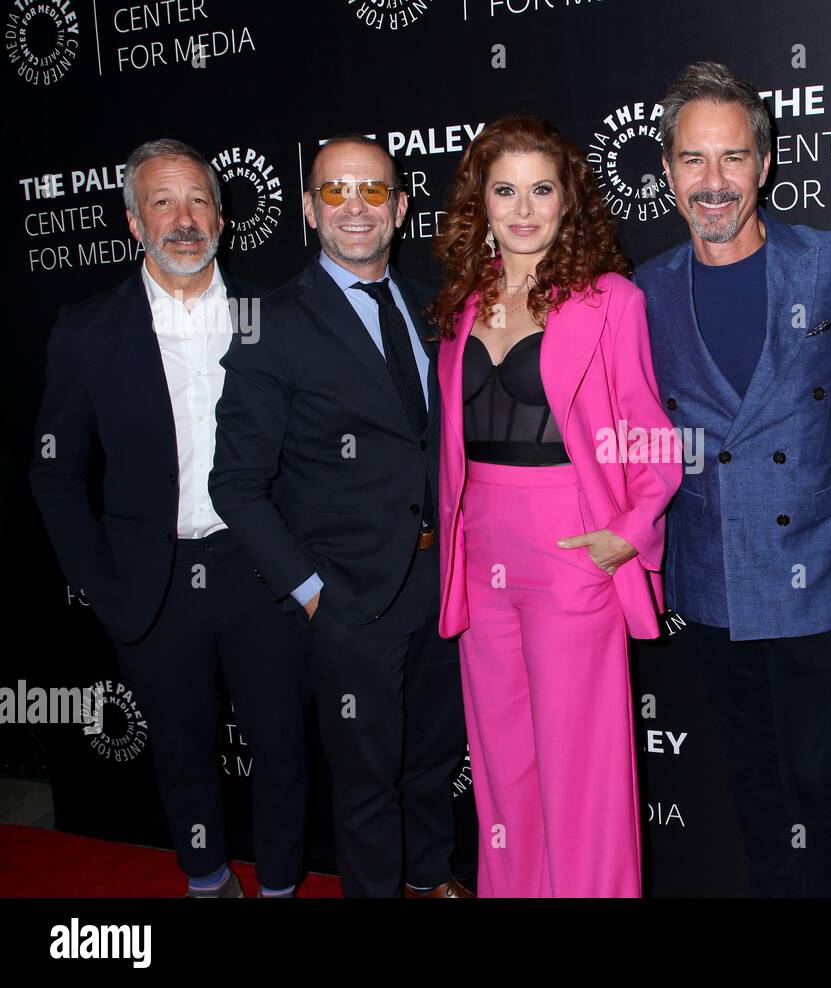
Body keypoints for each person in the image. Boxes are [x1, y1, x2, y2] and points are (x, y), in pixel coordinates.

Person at [30, 139, 310, 899]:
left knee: (283, 748)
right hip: (149, 581)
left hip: (257, 570)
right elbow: (54, 472)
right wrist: (98, 579)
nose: (183, 220)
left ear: (220, 215)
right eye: (162, 202)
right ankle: (207, 881)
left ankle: (282, 889)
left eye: (196, 201)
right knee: (180, 753)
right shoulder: (88, 330)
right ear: (132, 221)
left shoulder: (267, 315)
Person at [635, 62, 831, 897]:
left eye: (733, 158)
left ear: (764, 164)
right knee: (751, 775)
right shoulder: (644, 291)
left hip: (817, 559)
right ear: (667, 172)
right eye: (694, 161)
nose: (713, 182)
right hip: (712, 567)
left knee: (817, 775)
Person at [210, 134, 470, 898]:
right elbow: (236, 484)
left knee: (431, 760)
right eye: (334, 191)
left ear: (398, 207)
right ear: (307, 209)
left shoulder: (435, 307)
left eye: (372, 191)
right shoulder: (271, 322)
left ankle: (428, 881)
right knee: (364, 785)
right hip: (349, 600)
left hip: (442, 581)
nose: (354, 207)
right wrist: (311, 591)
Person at [430, 115, 682, 897]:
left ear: (570, 201)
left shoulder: (610, 301)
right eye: (506, 190)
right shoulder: (461, 305)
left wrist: (627, 534)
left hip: (573, 546)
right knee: (503, 762)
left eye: (543, 189)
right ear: (482, 203)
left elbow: (653, 438)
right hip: (481, 554)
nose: (525, 208)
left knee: (580, 766)